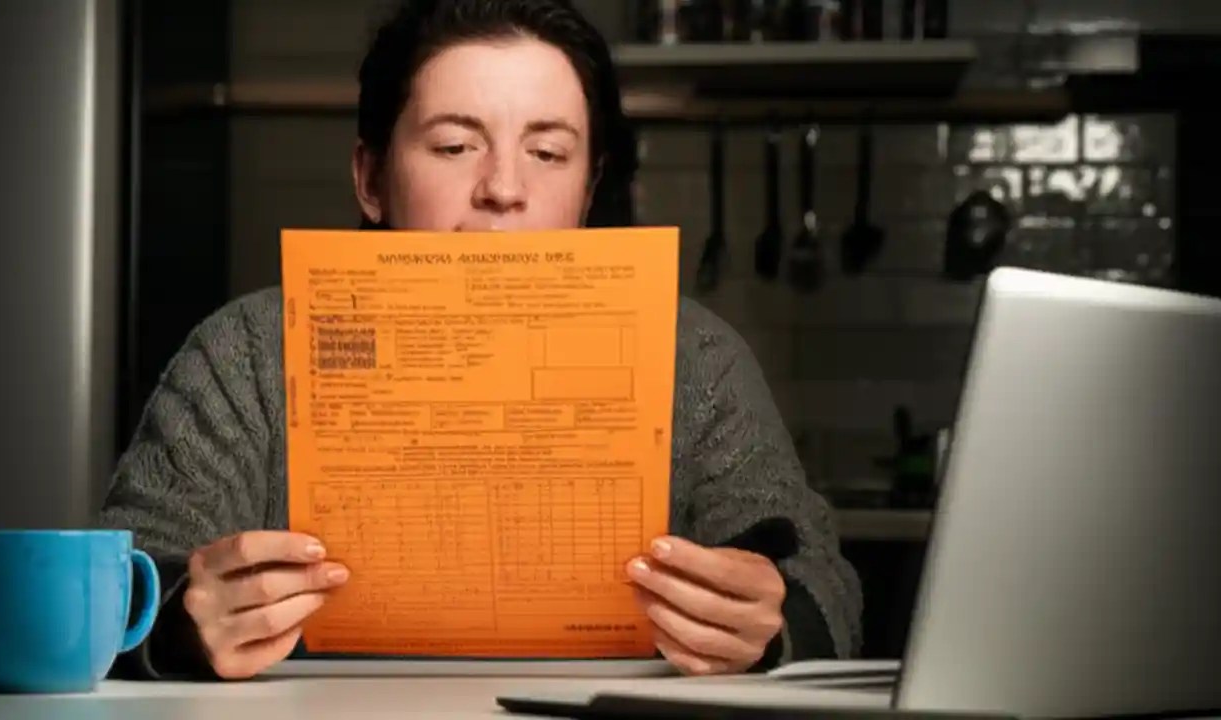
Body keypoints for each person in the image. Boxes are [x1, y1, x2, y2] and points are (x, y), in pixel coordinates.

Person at [97, 0, 863, 681]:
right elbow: (104, 588)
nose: (504, 187)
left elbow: (828, 587)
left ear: (588, 191)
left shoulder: (694, 355)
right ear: (370, 178)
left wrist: (774, 621)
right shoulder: (249, 352)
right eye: (456, 145)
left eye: (548, 152)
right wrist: (175, 624)